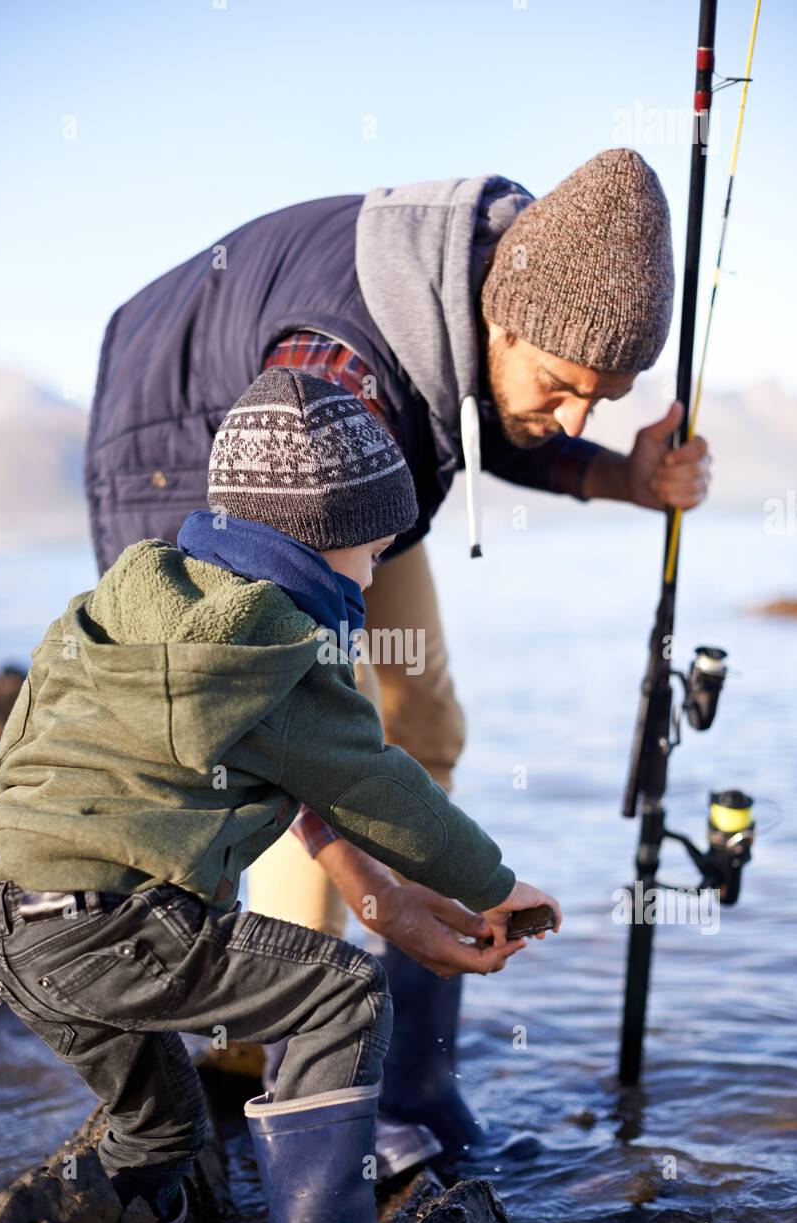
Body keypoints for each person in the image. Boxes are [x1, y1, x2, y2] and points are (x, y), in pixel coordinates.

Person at [84, 147, 708, 1160]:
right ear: (496, 325)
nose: (579, 418)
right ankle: (303, 1080)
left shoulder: (514, 277)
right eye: (565, 387)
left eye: (609, 397)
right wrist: (370, 881)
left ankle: (413, 1075)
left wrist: (626, 480)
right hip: (182, 446)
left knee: (423, 723)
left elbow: (501, 406)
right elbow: (280, 730)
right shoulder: (337, 379)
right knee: (288, 737)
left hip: (373, 458)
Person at [0, 366, 562, 1223]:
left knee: (161, 1130)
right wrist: (492, 883)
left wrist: (381, 892)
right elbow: (377, 783)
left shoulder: (132, 607)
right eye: (373, 553)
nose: (374, 576)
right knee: (341, 992)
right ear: (321, 549)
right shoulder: (275, 647)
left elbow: (31, 744)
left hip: (11, 922)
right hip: (116, 927)